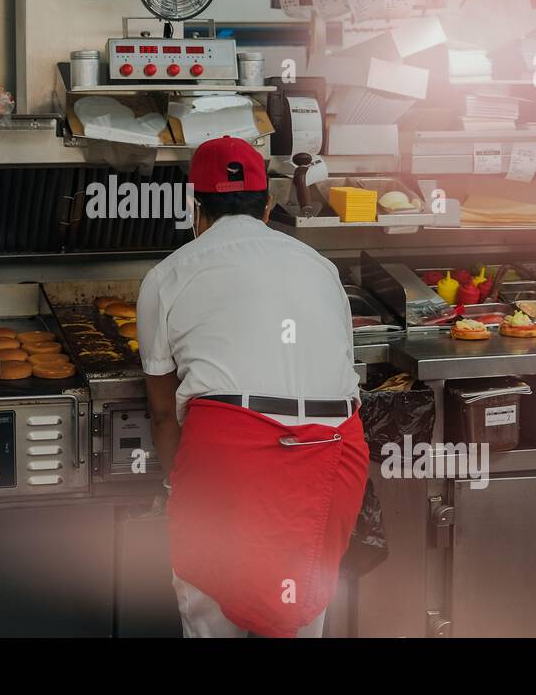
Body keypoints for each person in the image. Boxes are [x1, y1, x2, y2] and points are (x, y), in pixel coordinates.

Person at [137, 135, 369, 638]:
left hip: (229, 460)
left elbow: (160, 410)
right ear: (267, 205)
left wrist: (179, 488)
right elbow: (343, 373)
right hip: (333, 454)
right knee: (301, 602)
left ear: (195, 207)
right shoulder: (321, 267)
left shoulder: (167, 274)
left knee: (211, 605)